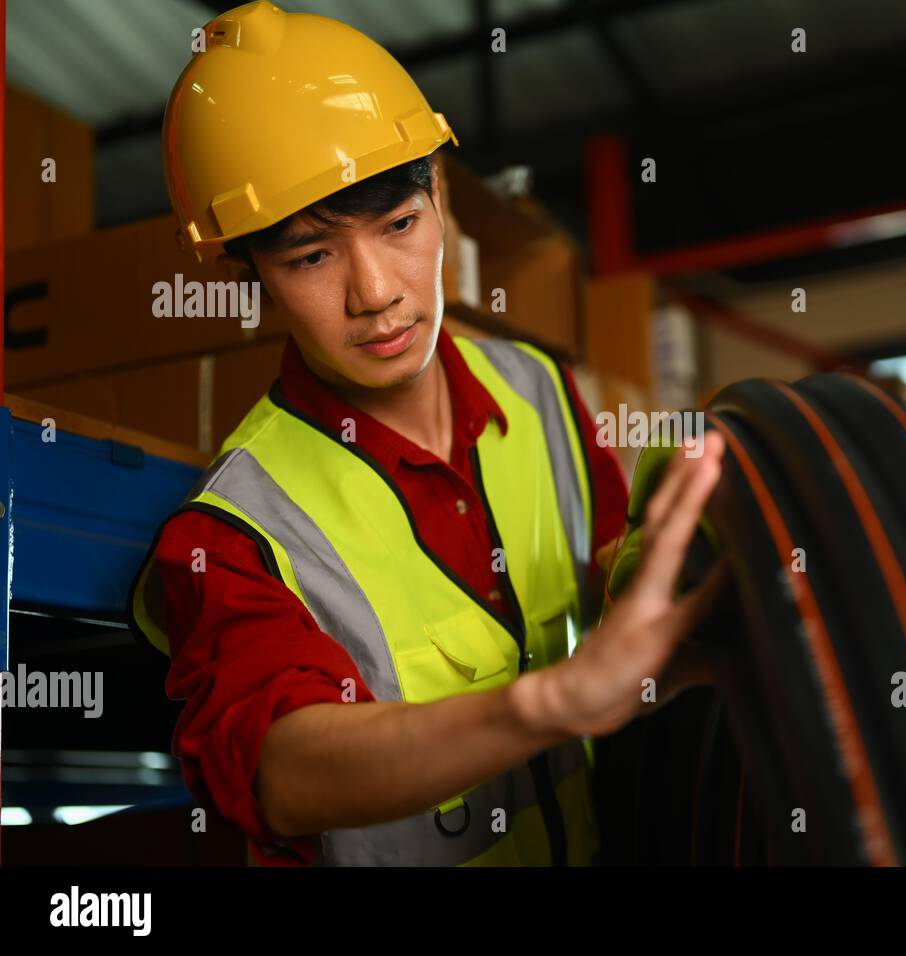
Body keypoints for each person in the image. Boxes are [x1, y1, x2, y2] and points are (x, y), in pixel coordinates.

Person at [129, 0, 725, 866]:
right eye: (310, 257)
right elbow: (281, 769)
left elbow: (610, 573)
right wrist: (549, 702)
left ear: (441, 195)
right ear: (248, 276)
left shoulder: (538, 390)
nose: (375, 292)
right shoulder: (232, 532)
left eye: (400, 225)